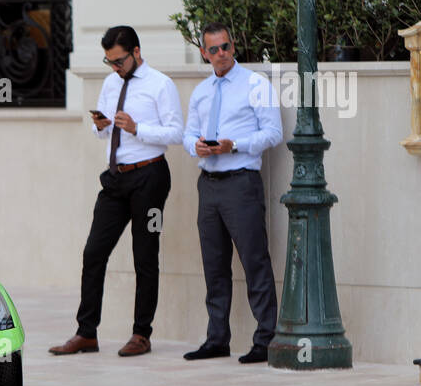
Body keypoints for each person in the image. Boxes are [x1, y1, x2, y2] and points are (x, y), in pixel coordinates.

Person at [51, 25, 182, 358]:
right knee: (94, 252)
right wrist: (100, 125)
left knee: (145, 254)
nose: (115, 68)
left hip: (150, 178)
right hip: (114, 179)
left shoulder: (160, 84)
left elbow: (176, 133)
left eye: (119, 61)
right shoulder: (111, 84)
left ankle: (141, 333)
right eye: (109, 61)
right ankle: (86, 333)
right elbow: (101, 134)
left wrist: (138, 128)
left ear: (136, 53)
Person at [182, 22, 283, 364]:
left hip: (241, 181)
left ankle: (266, 338)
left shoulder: (256, 84)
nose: (222, 54)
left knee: (254, 260)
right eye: (214, 49)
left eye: (226, 46)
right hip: (208, 184)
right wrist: (197, 146)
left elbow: (273, 133)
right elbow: (187, 135)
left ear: (233, 45)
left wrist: (233, 145)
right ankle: (217, 338)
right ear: (204, 53)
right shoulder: (202, 91)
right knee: (214, 264)